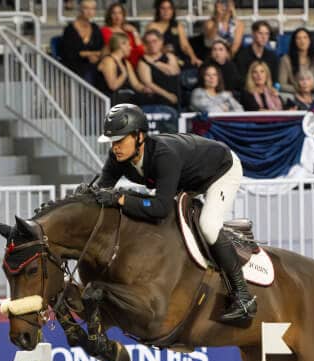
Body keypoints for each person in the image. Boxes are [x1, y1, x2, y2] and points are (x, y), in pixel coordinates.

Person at [92, 104, 254, 322]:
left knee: (208, 225)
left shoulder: (163, 155)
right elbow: (102, 190)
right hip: (187, 178)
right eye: (112, 142)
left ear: (139, 136)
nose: (115, 148)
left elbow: (160, 208)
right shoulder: (118, 157)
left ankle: (243, 297)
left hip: (221, 171)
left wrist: (121, 199)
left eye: (120, 141)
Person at [278, 26, 314, 102]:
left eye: (305, 38)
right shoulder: (285, 60)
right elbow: (281, 84)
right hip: (295, 93)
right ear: (294, 41)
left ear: (309, 41)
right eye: (298, 38)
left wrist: (307, 88)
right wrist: (300, 89)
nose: (302, 41)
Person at [98, 34, 154, 104]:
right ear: (121, 45)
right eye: (129, 45)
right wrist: (124, 74)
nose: (131, 48)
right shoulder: (108, 61)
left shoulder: (126, 62)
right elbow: (113, 86)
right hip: (108, 101)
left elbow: (135, 84)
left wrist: (144, 89)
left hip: (123, 99)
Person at [59, 0, 104, 86]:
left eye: (93, 8)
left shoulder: (95, 28)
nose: (89, 11)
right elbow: (70, 54)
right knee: (88, 71)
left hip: (93, 63)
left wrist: (92, 55)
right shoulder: (70, 29)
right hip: (74, 65)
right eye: (86, 8)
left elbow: (101, 49)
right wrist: (89, 55)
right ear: (80, 9)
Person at [146, 0, 200, 67]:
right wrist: (162, 50)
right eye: (163, 8)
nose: (166, 11)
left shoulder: (178, 26)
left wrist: (193, 58)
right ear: (158, 10)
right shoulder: (152, 26)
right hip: (160, 60)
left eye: (169, 8)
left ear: (173, 10)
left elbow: (185, 46)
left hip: (179, 59)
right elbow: (147, 47)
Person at [137, 29, 180, 106]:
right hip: (158, 100)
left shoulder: (169, 56)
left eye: (154, 41)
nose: (151, 44)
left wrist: (155, 63)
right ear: (145, 44)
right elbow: (148, 83)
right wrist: (168, 95)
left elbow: (174, 72)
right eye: (148, 42)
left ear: (161, 41)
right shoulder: (143, 61)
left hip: (176, 96)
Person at [100, 2, 143, 67]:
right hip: (114, 63)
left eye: (120, 13)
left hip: (133, 63)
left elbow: (140, 49)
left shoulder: (129, 30)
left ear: (123, 15)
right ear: (109, 15)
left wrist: (134, 31)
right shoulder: (104, 30)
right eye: (113, 13)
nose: (117, 16)